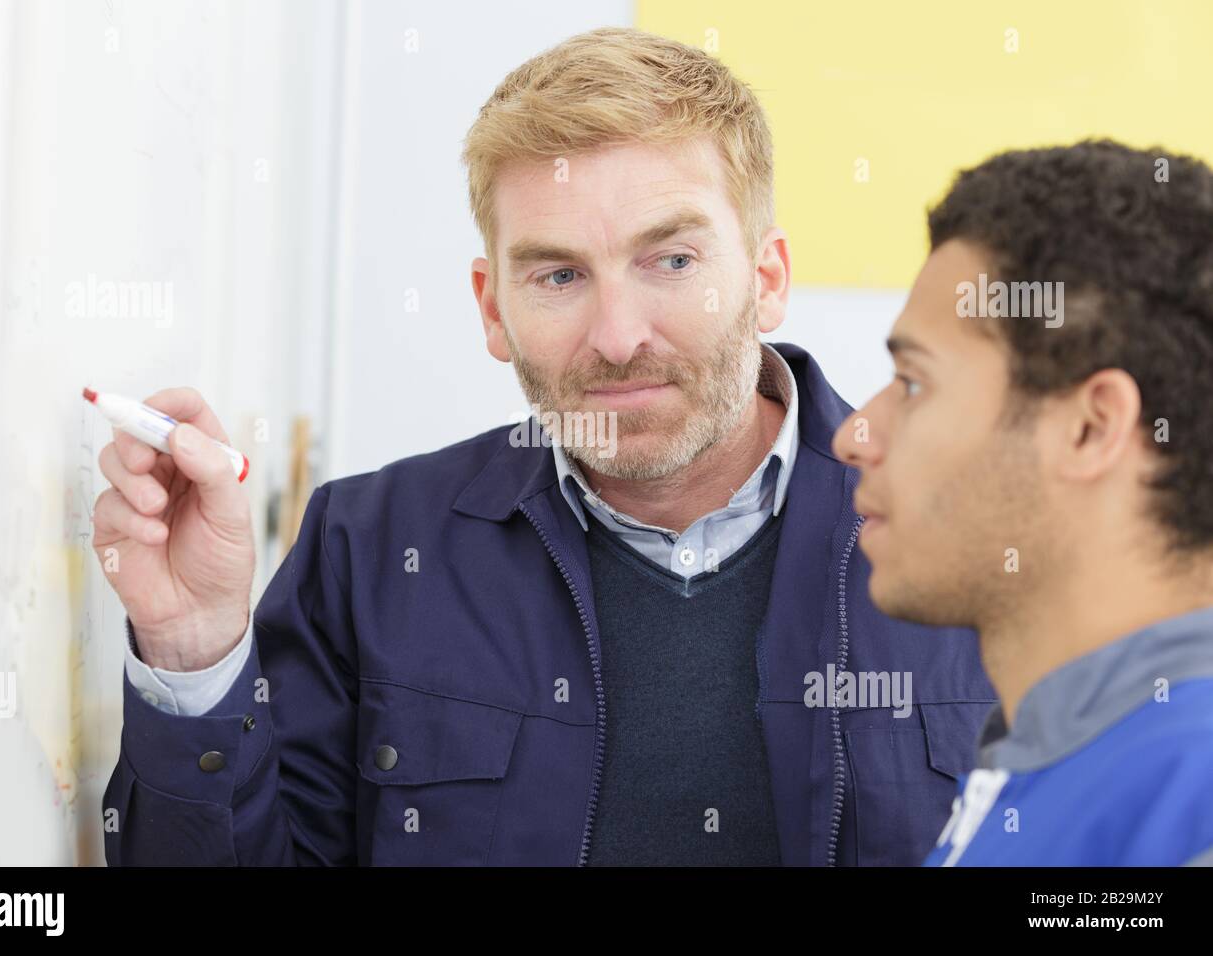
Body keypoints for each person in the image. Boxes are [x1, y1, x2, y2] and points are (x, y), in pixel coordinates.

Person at [97, 27, 993, 866]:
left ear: (765, 280)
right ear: (494, 308)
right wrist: (193, 647)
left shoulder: (972, 537)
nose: (617, 336)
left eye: (671, 261)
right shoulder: (367, 549)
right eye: (560, 276)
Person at [833, 140, 1213, 866]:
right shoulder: (1051, 761)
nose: (853, 435)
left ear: (1089, 428)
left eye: (913, 384)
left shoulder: (1188, 802)